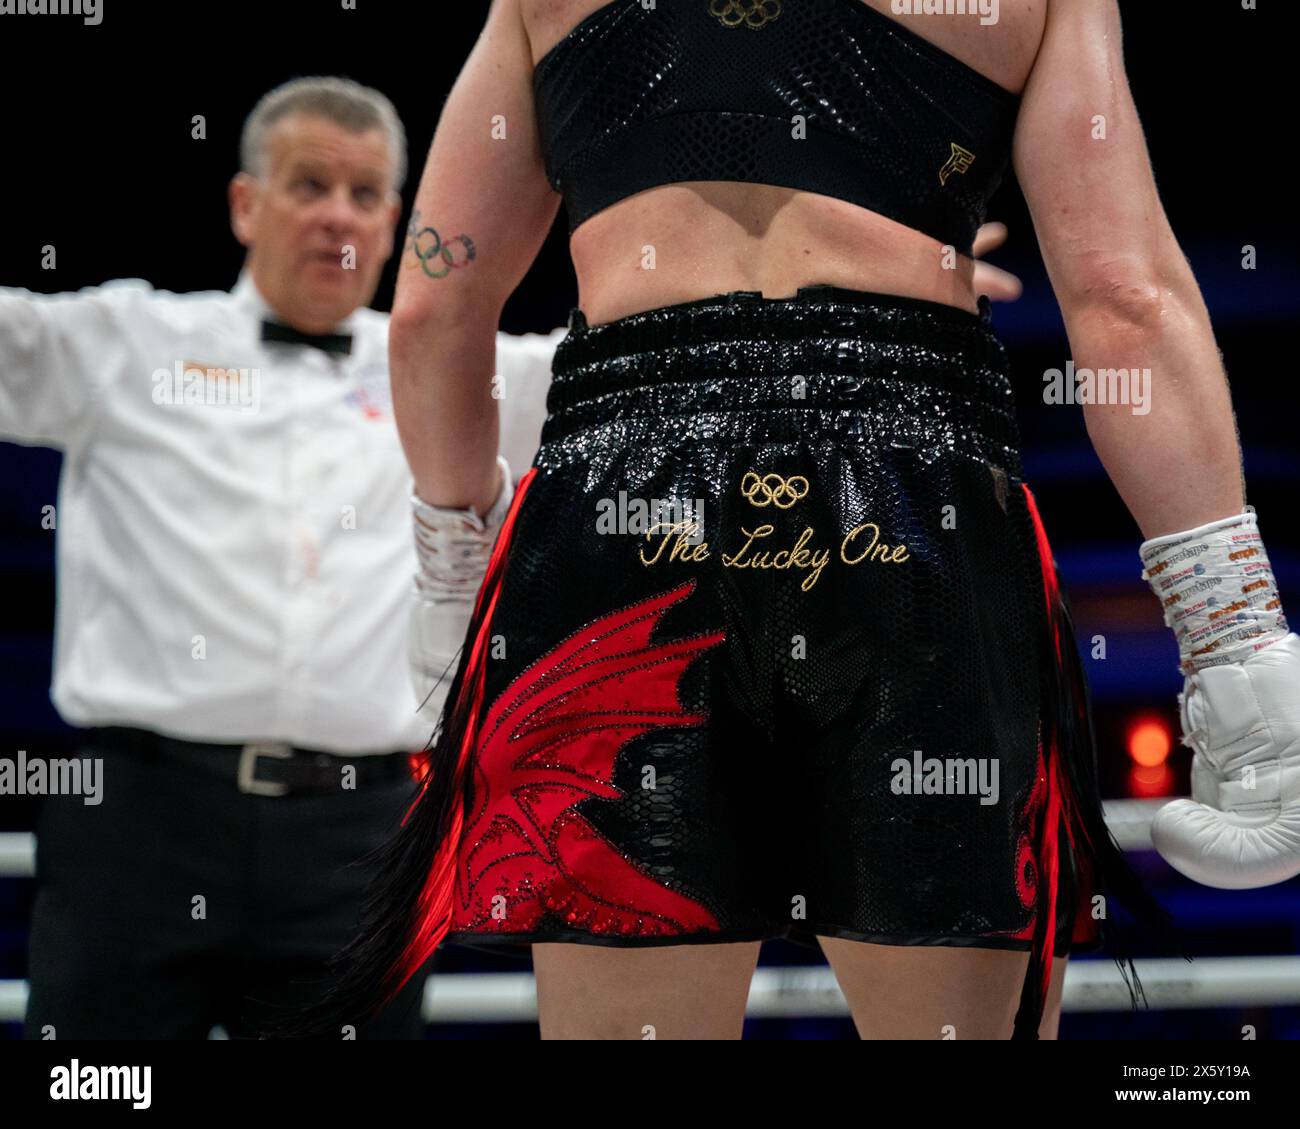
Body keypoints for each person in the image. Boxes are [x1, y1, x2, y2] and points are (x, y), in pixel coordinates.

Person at [289, 0, 1299, 1041]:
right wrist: (1236, 638)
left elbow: (434, 310)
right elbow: (1123, 297)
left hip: (628, 505)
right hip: (912, 501)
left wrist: (457, 583)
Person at [0, 75, 561, 1039]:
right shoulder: (126, 341)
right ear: (244, 202)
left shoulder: (460, 370)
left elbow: (644, 366)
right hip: (142, 821)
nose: (337, 217)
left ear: (397, 221)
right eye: (309, 185)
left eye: (366, 194)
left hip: (361, 836)